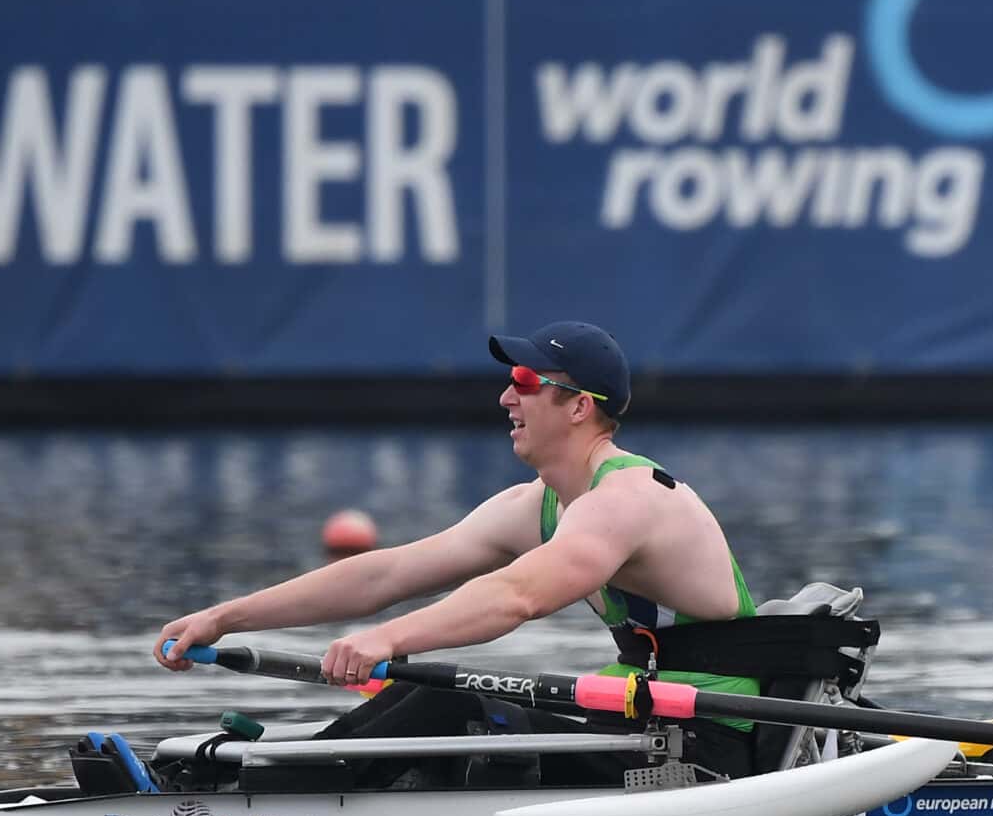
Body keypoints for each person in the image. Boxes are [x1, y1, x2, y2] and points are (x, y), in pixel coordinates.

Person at [152, 320, 767, 788]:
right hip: (637, 721)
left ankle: (262, 799)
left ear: (580, 407)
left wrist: (386, 641)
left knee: (452, 699)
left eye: (526, 383)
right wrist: (224, 617)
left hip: (705, 745)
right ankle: (275, 787)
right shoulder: (539, 505)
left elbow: (517, 596)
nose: (506, 397)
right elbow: (384, 574)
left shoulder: (629, 498)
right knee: (421, 693)